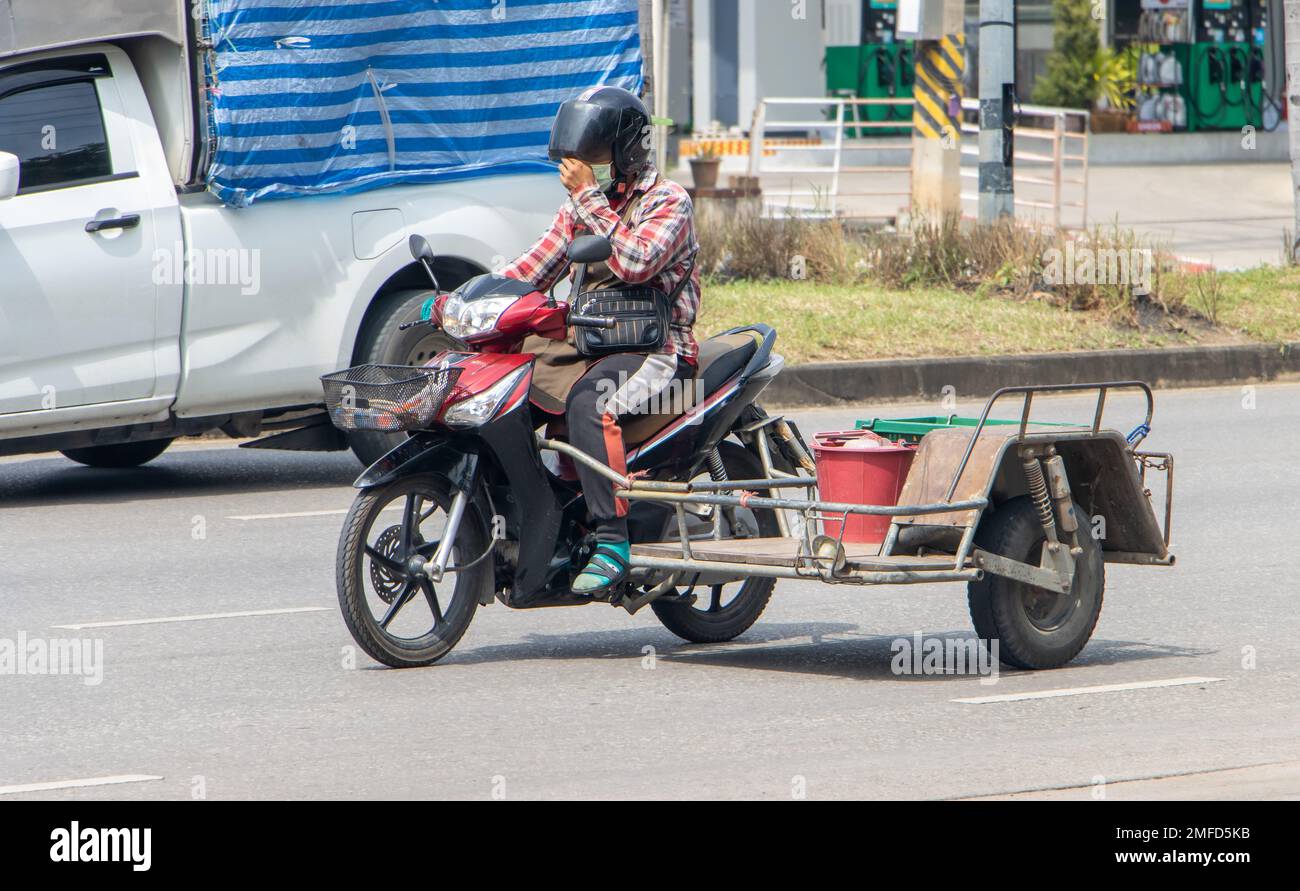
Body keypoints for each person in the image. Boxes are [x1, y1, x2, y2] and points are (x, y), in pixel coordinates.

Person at [500, 85, 700, 596]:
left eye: (590, 158)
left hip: (653, 348)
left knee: (590, 402)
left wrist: (588, 197)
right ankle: (552, 507)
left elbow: (635, 262)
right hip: (590, 339)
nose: (580, 170)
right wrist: (474, 299)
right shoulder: (581, 207)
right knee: (506, 393)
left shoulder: (667, 201)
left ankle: (612, 538)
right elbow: (534, 268)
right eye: (575, 160)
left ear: (626, 151)